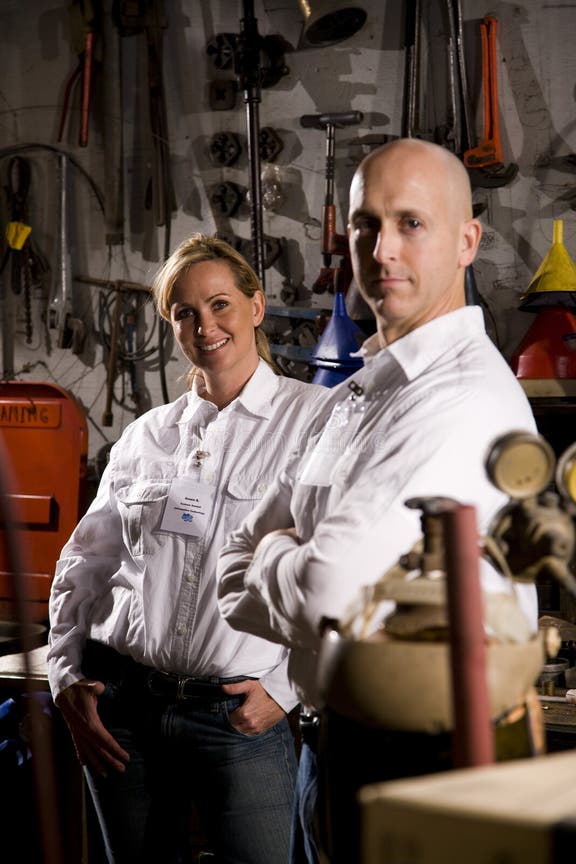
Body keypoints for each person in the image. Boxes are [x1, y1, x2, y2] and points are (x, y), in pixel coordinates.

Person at [217, 138, 539, 863]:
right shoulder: (359, 393)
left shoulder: (461, 401)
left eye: (411, 223)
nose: (383, 249)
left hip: (431, 762)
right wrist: (282, 557)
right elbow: (225, 567)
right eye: (365, 225)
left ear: (467, 241)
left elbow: (323, 590)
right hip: (335, 746)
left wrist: (273, 549)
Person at [47, 234, 327, 864]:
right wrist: (66, 676)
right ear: (171, 325)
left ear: (257, 307)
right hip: (123, 714)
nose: (206, 325)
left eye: (221, 304)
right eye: (185, 313)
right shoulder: (150, 433)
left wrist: (289, 687)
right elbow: (84, 564)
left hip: (238, 718)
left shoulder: (317, 421)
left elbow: (351, 570)